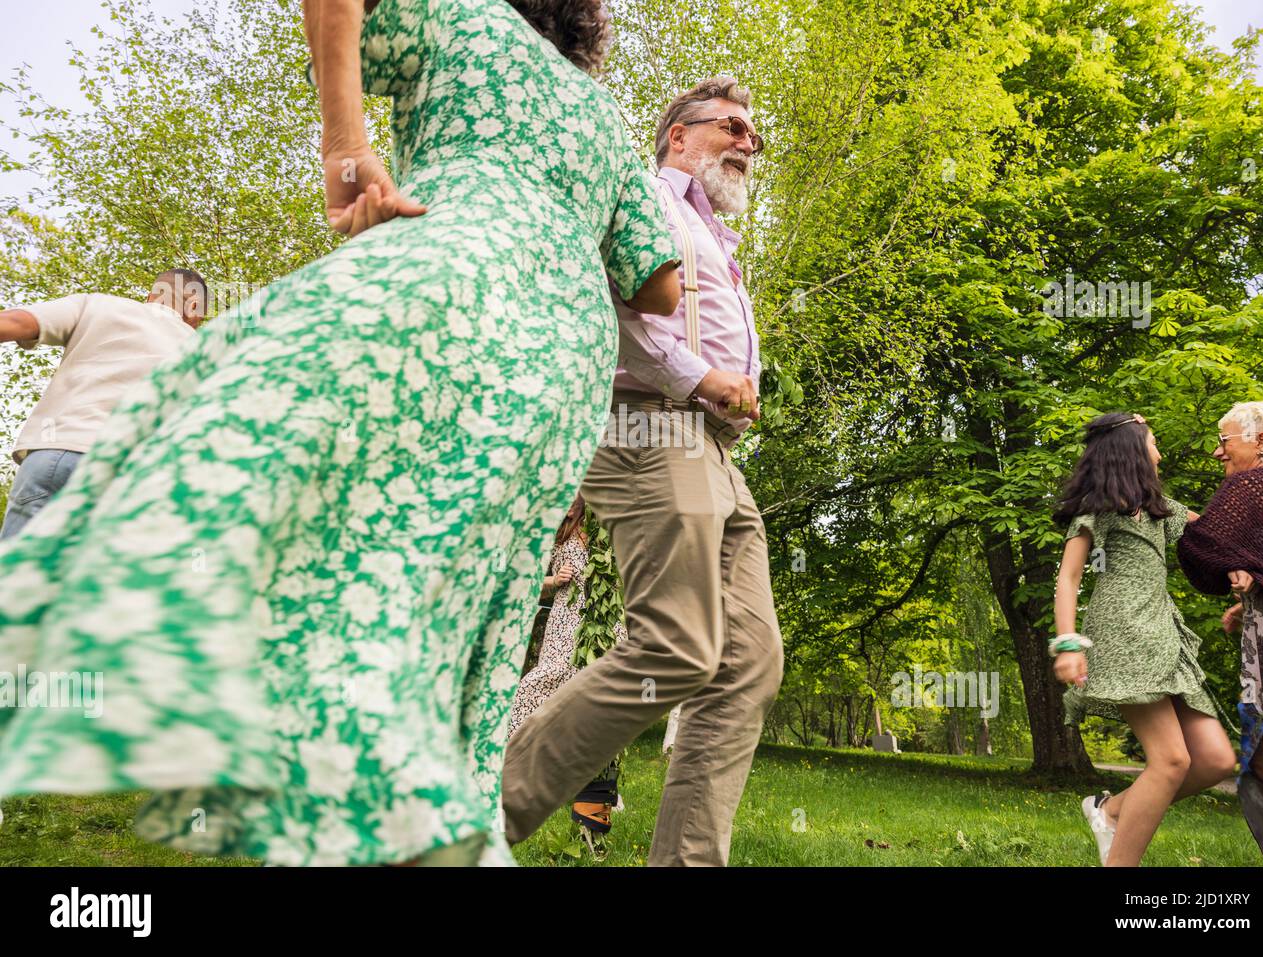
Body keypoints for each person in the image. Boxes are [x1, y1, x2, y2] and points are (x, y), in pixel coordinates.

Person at [0, 0, 679, 867]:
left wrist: (346, 146)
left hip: (449, 270)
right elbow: (658, 289)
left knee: (324, 511)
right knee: (486, 599)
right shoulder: (605, 118)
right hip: (564, 351)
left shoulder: (468, 20)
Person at [503, 76, 784, 867]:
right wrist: (700, 378)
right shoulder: (646, 200)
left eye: (754, 134)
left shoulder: (712, 237)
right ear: (679, 136)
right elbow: (616, 309)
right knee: (677, 647)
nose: (748, 143)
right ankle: (468, 821)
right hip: (647, 427)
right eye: (732, 127)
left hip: (714, 452)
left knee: (747, 662)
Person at [1052, 412, 1236, 866]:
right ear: (1133, 451)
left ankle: (1109, 809)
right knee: (1172, 761)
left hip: (1165, 637)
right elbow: (1068, 579)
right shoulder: (1098, 509)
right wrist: (1068, 643)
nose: (1160, 452)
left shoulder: (1161, 509)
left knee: (1214, 761)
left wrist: (1248, 566)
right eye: (1153, 442)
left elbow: (1215, 536)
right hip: (1123, 636)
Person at [0, 270, 206, 538]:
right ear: (194, 310)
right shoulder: (204, 352)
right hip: (135, 476)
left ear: (151, 295)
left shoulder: (98, 305)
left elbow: (13, 322)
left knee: (15, 574)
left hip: (58, 454)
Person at [1178, 400, 1263, 831]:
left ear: (1259, 441)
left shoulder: (1251, 487)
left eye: (1224, 441)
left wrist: (1154, 502)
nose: (1218, 452)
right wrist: (1261, 589)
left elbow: (1202, 549)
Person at [507, 494, 627, 856]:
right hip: (565, 622)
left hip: (603, 624)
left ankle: (596, 798)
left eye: (575, 500)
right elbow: (524, 580)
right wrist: (553, 579)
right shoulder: (557, 535)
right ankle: (514, 758)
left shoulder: (604, 531)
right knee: (538, 683)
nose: (570, 506)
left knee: (599, 703)